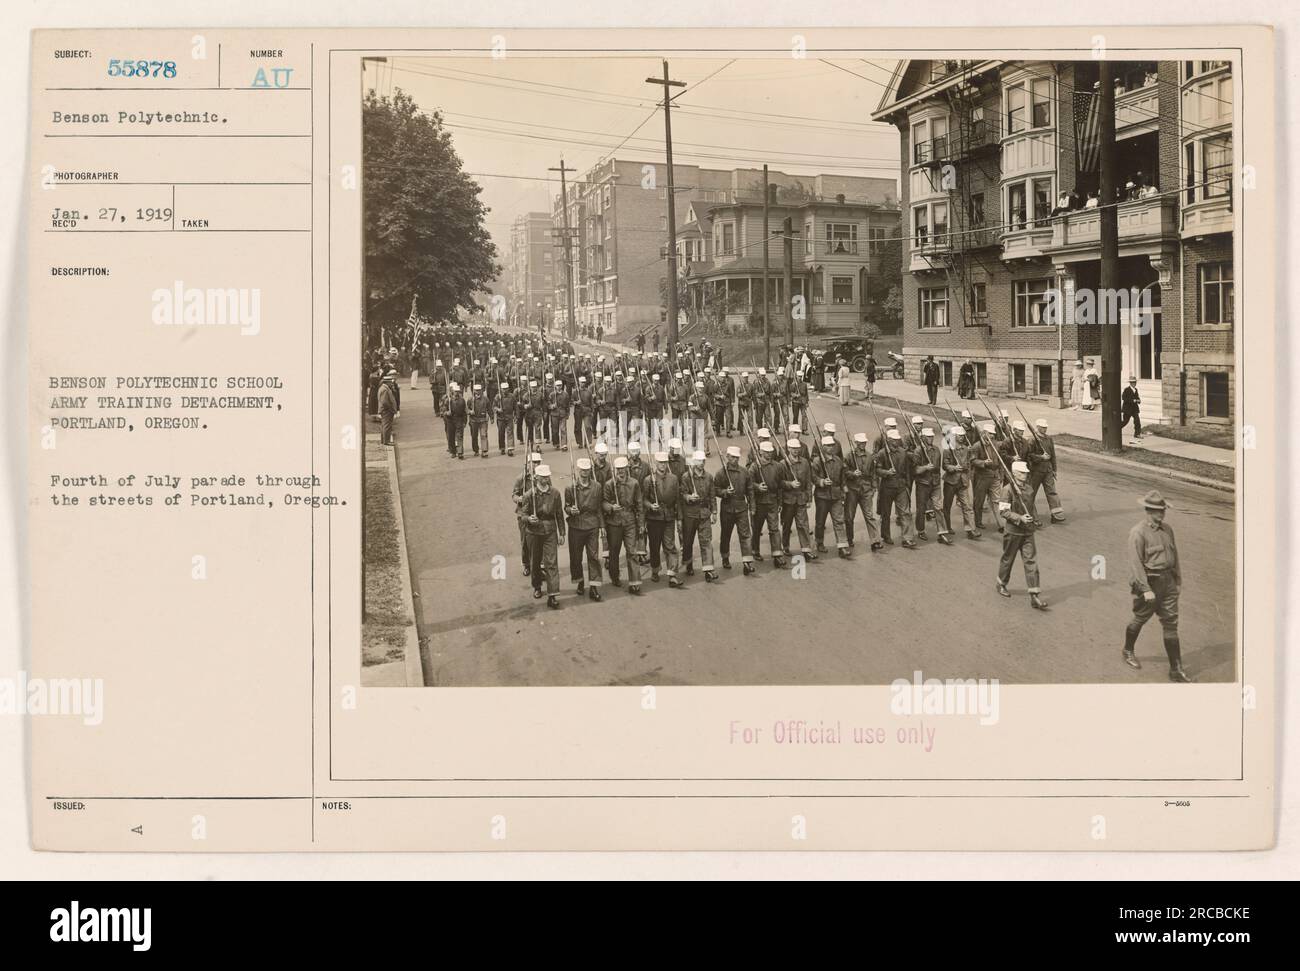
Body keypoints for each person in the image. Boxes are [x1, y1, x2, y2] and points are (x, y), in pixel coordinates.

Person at [1124, 490, 1193, 682]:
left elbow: (1174, 556)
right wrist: (1145, 589)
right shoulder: (1138, 532)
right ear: (1148, 510)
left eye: (1162, 510)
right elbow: (1136, 564)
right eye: (1156, 510)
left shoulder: (1168, 530)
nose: (1161, 513)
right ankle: (1128, 650)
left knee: (1171, 623)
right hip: (1150, 582)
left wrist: (1178, 581)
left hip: (1168, 581)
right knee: (1140, 618)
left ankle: (1176, 670)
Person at [995, 461, 1048, 610]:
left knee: (1031, 562)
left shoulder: (1029, 489)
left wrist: (1034, 520)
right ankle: (1001, 584)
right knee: (1008, 559)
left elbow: (1031, 508)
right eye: (1023, 472)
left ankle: (1034, 595)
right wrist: (1020, 518)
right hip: (1013, 531)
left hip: (1028, 532)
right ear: (1015, 473)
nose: (1026, 474)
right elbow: (1003, 512)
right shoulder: (1007, 490)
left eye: (1026, 472)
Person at [519, 464, 565, 609]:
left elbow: (559, 514)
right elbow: (523, 515)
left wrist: (562, 533)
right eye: (542, 477)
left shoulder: (555, 494)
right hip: (533, 533)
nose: (545, 479)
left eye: (547, 477)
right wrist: (528, 519)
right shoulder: (528, 495)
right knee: (535, 562)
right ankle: (537, 586)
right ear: (536, 477)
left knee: (551, 563)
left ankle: (552, 594)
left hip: (550, 531)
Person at [563, 457, 604, 602]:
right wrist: (571, 510)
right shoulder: (570, 488)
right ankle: (579, 581)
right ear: (578, 471)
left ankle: (594, 587)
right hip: (576, 526)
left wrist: (602, 526)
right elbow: (566, 507)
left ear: (590, 470)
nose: (585, 472)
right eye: (582, 470)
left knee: (593, 556)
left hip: (592, 525)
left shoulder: (597, 487)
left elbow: (599, 507)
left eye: (587, 470)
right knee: (576, 557)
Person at [601, 457, 644, 594]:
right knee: (614, 552)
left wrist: (641, 523)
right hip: (614, 522)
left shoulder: (634, 483)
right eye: (618, 469)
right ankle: (614, 576)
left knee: (632, 551)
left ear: (627, 469)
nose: (621, 472)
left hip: (630, 521)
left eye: (623, 469)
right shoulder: (609, 484)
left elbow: (639, 504)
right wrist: (611, 507)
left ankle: (635, 582)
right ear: (615, 470)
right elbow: (603, 503)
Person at [644, 451, 683, 588]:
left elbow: (678, 499)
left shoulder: (673, 479)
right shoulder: (649, 480)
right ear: (655, 463)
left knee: (670, 546)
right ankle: (655, 570)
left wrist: (679, 518)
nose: (663, 465)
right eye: (660, 463)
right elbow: (643, 500)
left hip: (669, 517)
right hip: (654, 518)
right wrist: (650, 505)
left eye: (665, 463)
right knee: (654, 547)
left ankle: (672, 574)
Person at [714, 446, 755, 574]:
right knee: (726, 535)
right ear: (727, 457)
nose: (735, 460)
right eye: (732, 457)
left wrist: (752, 506)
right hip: (727, 508)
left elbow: (750, 490)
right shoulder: (721, 473)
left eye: (737, 458)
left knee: (745, 535)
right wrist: (725, 492)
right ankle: (725, 557)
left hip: (742, 507)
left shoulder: (744, 472)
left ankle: (747, 562)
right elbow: (715, 490)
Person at [874, 429, 917, 548]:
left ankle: (907, 538)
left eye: (898, 439)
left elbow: (907, 470)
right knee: (885, 513)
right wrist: (886, 472)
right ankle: (886, 535)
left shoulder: (903, 452)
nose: (897, 441)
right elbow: (877, 470)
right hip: (887, 486)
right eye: (894, 440)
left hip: (901, 486)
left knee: (905, 512)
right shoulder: (882, 453)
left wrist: (907, 484)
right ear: (889, 440)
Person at [679, 450, 718, 581]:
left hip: (704, 513)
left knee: (706, 541)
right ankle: (688, 563)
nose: (701, 463)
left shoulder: (709, 477)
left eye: (703, 461)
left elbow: (712, 495)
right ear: (694, 462)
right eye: (699, 461)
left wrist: (714, 512)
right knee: (688, 541)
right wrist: (689, 497)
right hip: (690, 514)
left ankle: (708, 569)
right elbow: (682, 494)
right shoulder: (686, 477)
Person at [810, 436, 851, 558]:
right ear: (822, 447)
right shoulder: (817, 461)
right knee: (820, 522)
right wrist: (821, 481)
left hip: (836, 495)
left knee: (839, 521)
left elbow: (842, 477)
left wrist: (844, 489)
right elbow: (813, 477)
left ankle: (842, 546)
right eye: (828, 446)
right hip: (822, 496)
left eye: (832, 445)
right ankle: (819, 541)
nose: (831, 448)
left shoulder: (838, 460)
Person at [748, 440, 785, 567]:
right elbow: (749, 484)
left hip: (773, 501)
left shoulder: (778, 466)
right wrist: (758, 486)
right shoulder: (754, 466)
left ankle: (777, 554)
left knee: (774, 529)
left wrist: (780, 501)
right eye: (766, 452)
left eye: (770, 452)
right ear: (760, 452)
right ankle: (755, 550)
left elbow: (780, 485)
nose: (769, 454)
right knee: (757, 529)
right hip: (759, 502)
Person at [842, 432, 881, 551]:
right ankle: (849, 539)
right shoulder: (849, 456)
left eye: (864, 442)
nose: (863, 444)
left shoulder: (869, 456)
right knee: (849, 517)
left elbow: (873, 473)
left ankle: (875, 540)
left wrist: (874, 487)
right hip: (852, 489)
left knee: (869, 515)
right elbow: (844, 472)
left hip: (866, 489)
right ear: (856, 443)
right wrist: (852, 474)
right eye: (860, 442)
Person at [779, 438, 816, 561]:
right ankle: (785, 546)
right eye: (793, 448)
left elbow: (809, 481)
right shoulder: (783, 464)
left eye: (797, 448)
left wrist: (809, 498)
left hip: (801, 499)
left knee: (803, 524)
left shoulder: (805, 462)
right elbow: (779, 482)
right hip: (788, 500)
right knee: (787, 524)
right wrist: (790, 484)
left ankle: (806, 549)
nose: (795, 451)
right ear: (788, 449)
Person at [1026, 418, 1065, 524]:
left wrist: (1054, 469)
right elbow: (1028, 456)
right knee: (1031, 493)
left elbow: (1053, 455)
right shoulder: (1032, 440)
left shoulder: (1049, 439)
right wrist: (1041, 457)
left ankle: (1056, 515)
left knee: (1051, 492)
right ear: (1037, 427)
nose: (1045, 429)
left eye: (1046, 427)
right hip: (1036, 471)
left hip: (1048, 470)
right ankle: (1030, 515)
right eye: (1043, 427)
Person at [467, 384, 491, 458]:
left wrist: (492, 417)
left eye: (479, 390)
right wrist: (470, 411)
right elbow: (466, 409)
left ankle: (484, 451)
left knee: (483, 435)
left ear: (481, 391)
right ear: (474, 391)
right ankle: (476, 450)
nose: (478, 392)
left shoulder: (485, 399)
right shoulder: (471, 399)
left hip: (483, 419)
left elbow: (489, 408)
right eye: (476, 390)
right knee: (474, 436)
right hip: (473, 420)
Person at [445, 381, 467, 459]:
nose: (457, 393)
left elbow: (465, 411)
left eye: (458, 391)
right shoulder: (448, 400)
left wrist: (465, 421)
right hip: (450, 420)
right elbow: (442, 410)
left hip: (459, 419)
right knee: (451, 436)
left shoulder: (462, 400)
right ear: (452, 391)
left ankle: (460, 452)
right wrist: (447, 412)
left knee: (459, 436)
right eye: (455, 391)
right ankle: (453, 451)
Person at [378, 368, 399, 446]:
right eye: (390, 382)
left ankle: (384, 440)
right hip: (386, 411)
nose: (391, 384)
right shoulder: (385, 389)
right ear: (387, 382)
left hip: (386, 410)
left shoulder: (384, 388)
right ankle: (386, 441)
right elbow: (385, 402)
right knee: (387, 426)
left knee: (385, 425)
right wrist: (391, 409)